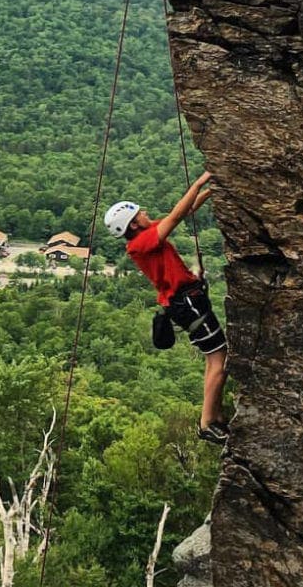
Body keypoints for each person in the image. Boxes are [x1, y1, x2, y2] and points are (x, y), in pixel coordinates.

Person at [104, 171, 229, 445]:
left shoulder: (146, 234)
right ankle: (207, 422)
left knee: (214, 358)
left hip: (187, 300)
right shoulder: (140, 244)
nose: (146, 213)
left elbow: (185, 212)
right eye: (140, 213)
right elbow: (174, 217)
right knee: (219, 359)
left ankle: (214, 415)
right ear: (133, 225)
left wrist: (209, 192)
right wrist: (200, 181)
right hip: (186, 303)